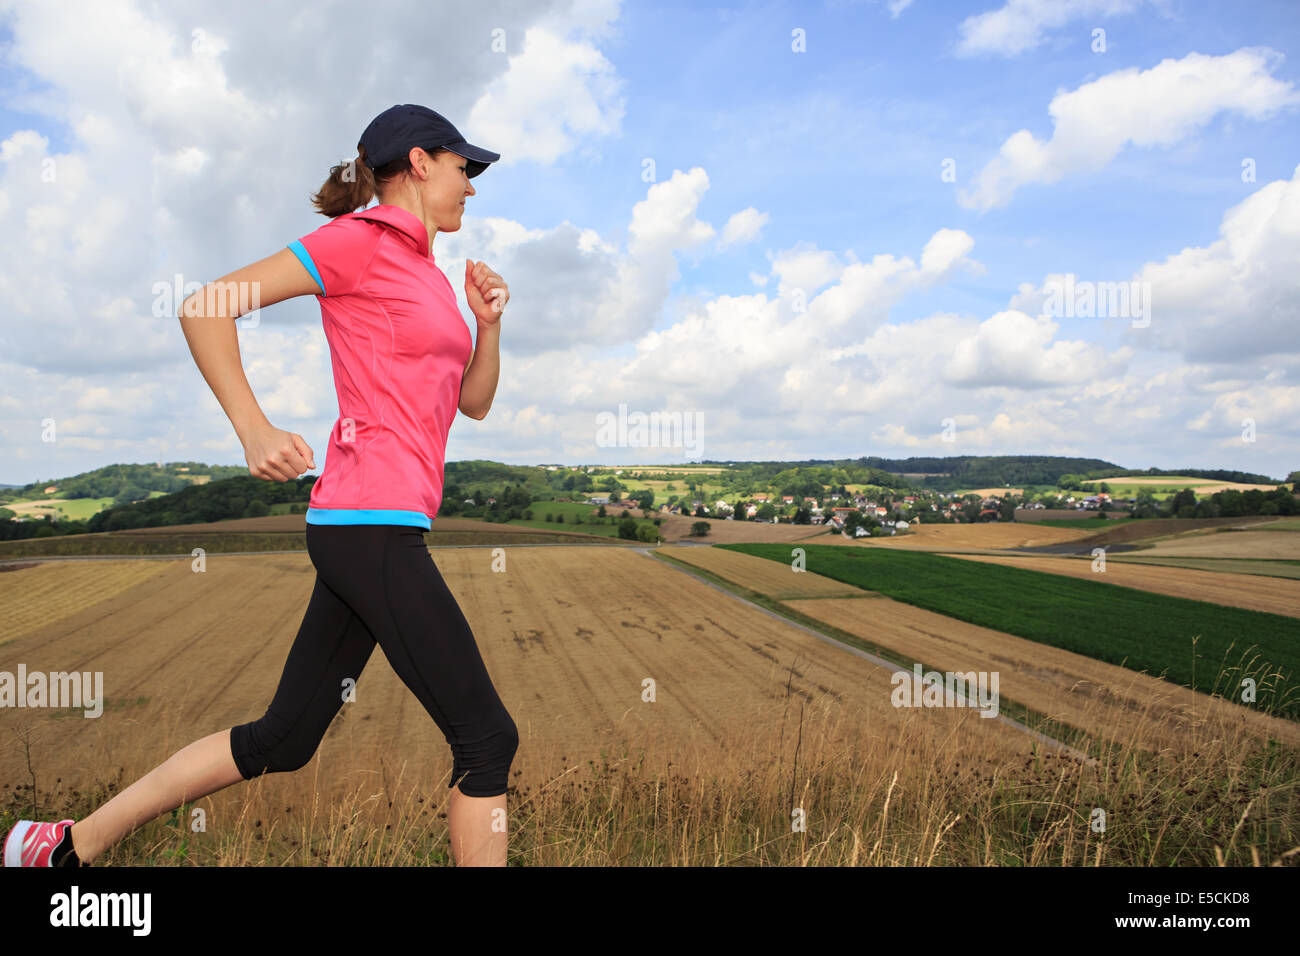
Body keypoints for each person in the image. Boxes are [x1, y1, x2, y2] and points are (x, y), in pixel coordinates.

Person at [3, 104, 517, 868]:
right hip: (366, 523)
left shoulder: (429, 275)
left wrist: (488, 325)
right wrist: (254, 428)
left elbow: (472, 404)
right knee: (487, 739)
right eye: (461, 167)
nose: (470, 186)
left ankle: (64, 846)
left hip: (376, 528)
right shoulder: (357, 243)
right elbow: (205, 306)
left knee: (285, 738)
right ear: (418, 161)